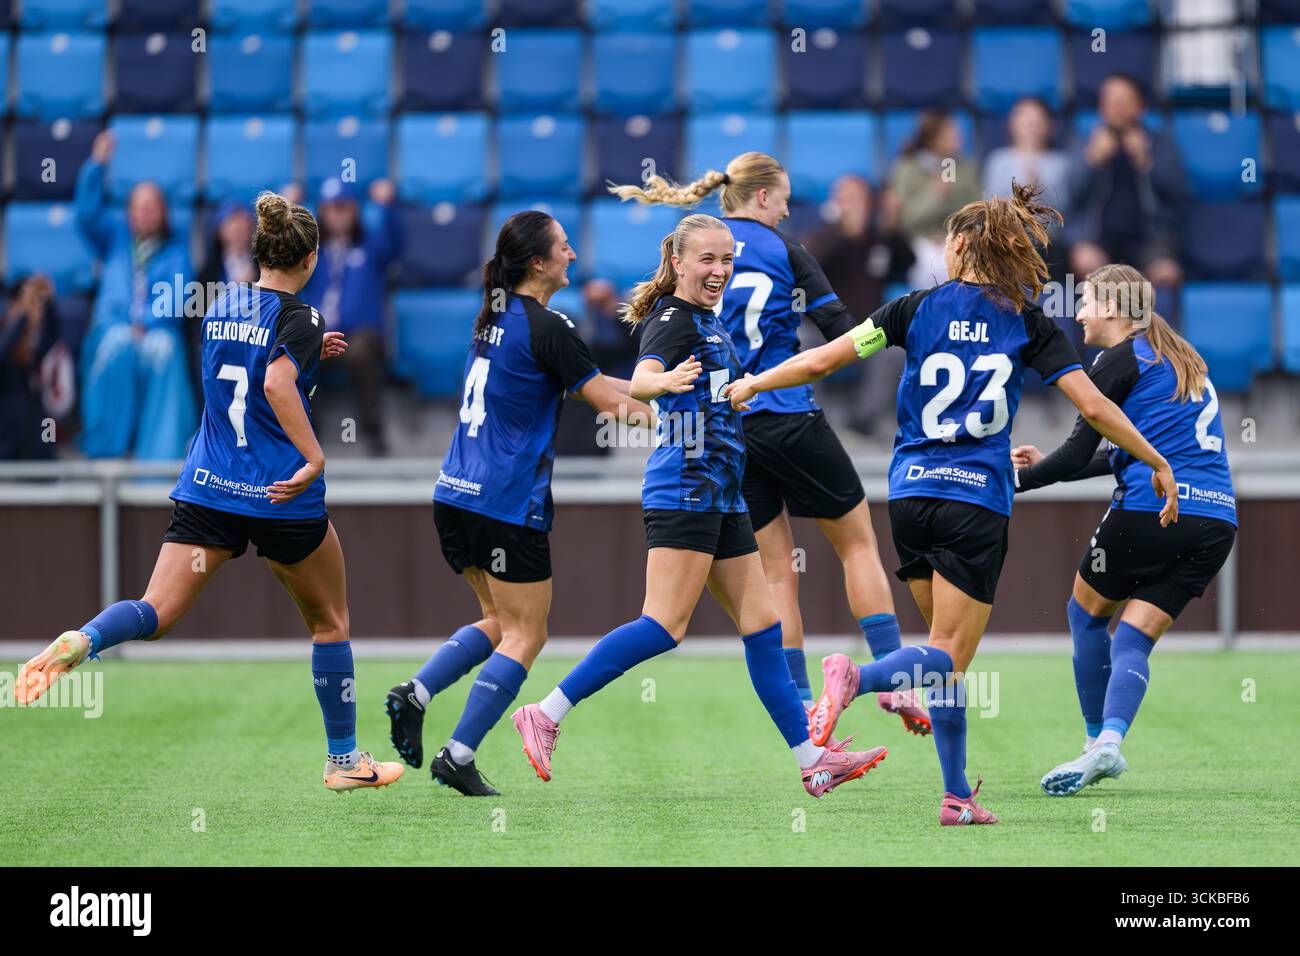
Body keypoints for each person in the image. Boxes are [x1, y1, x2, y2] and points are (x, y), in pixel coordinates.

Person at [725, 183, 1181, 825]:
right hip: (976, 501)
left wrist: (755, 381)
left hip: (909, 495)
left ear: (961, 245)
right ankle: (856, 677)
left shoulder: (911, 308)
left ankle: (957, 795)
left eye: (946, 237)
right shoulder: (1029, 323)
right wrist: (1157, 460)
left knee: (942, 659)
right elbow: (1096, 408)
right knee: (948, 654)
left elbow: (822, 360)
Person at [16, 192, 405, 793]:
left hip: (208, 488)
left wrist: (306, 353)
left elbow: (243, 369)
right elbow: (275, 381)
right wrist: (315, 454)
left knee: (155, 611)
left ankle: (85, 638)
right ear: (310, 257)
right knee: (330, 622)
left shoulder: (223, 303)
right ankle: (344, 760)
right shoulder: (301, 317)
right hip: (281, 494)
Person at [511, 214, 890, 799]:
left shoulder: (709, 322)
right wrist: (658, 385)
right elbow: (641, 380)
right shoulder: (673, 319)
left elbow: (704, 394)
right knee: (663, 625)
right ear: (680, 262)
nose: (718, 271)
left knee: (763, 628)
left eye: (726, 261)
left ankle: (813, 760)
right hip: (686, 486)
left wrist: (736, 393)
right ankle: (546, 711)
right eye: (707, 260)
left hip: (721, 491)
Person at [609, 153, 931, 740]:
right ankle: (895, 678)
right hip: (787, 413)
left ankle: (808, 703)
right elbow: (842, 333)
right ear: (761, 198)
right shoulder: (786, 250)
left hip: (731, 433)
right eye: (782, 199)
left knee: (778, 574)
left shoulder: (703, 258)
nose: (786, 209)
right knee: (858, 544)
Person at [384, 211, 653, 797]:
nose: (574, 256)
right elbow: (607, 402)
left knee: (500, 623)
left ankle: (418, 692)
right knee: (528, 635)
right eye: (564, 247)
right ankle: (458, 754)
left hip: (455, 493)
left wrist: (662, 386)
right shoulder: (552, 325)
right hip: (505, 504)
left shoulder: (497, 316)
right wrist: (689, 420)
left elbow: (595, 381)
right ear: (538, 262)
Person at [1011, 265, 1236, 796]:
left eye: (1086, 302)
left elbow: (1074, 453)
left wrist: (1013, 482)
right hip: (1217, 521)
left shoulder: (1115, 359)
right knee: (1133, 636)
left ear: (1113, 309)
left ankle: (1093, 741)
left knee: (1085, 616)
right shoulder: (1181, 358)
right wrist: (1055, 466)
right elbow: (1130, 447)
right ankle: (1111, 743)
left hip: (1151, 510)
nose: (1079, 313)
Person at [74, 131, 197, 460]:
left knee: (165, 350)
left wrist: (147, 321)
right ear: (128, 212)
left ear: (164, 213)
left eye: (153, 206)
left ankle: (158, 458)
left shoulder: (176, 251)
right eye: (138, 206)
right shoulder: (114, 237)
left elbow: (181, 293)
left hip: (156, 330)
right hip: (114, 327)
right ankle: (107, 449)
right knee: (118, 344)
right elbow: (86, 216)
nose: (145, 212)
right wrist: (96, 167)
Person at [803, 174, 914, 438]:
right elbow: (810, 264)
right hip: (825, 327)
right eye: (843, 199)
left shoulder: (880, 238)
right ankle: (815, 418)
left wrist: (892, 227)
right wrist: (843, 233)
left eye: (855, 199)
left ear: (868, 203)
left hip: (865, 328)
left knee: (895, 350)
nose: (849, 205)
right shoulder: (824, 237)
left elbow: (907, 261)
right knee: (800, 341)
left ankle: (863, 420)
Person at [296, 177, 402, 455]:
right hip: (321, 333)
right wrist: (290, 207)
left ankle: (373, 430)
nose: (338, 213)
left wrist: (387, 206)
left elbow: (396, 246)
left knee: (360, 353)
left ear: (355, 210)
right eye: (331, 207)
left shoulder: (370, 245)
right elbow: (283, 252)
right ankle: (307, 434)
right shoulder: (312, 251)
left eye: (344, 206)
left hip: (360, 335)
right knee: (297, 352)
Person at [1067, 74, 1186, 289]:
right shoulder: (1086, 141)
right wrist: (1092, 161)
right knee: (1086, 263)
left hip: (1150, 237)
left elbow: (1177, 191)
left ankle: (1151, 324)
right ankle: (1096, 322)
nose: (1116, 107)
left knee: (1166, 273)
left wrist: (1147, 162)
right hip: (1097, 236)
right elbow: (1071, 195)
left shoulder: (1159, 141)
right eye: (1110, 101)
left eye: (1123, 101)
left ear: (1140, 107)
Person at [890, 110, 982, 289]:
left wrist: (951, 236)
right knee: (929, 267)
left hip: (958, 239)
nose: (960, 137)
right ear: (934, 139)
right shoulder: (907, 168)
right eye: (952, 133)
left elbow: (974, 211)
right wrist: (934, 193)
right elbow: (907, 219)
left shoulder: (965, 167)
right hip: (918, 242)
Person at [982, 97, 1071, 281]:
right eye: (1024, 119)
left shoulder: (1061, 163)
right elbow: (987, 202)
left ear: (1050, 126)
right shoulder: (998, 160)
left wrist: (1038, 188)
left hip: (1046, 238)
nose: (1031, 125)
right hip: (1006, 232)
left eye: (1037, 120)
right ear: (1012, 124)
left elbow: (1062, 209)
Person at [0, 275, 62, 460]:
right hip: (5, 458)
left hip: (33, 457)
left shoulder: (29, 364)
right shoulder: (8, 340)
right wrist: (24, 317)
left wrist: (49, 304)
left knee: (46, 421)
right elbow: (3, 352)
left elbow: (50, 338)